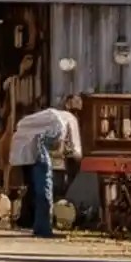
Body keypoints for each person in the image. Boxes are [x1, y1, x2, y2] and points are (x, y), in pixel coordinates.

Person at [9, 100, 83, 237]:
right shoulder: (67, 120)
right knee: (46, 194)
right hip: (48, 160)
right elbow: (74, 149)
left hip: (31, 156)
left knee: (37, 192)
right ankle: (42, 228)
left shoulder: (49, 119)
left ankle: (31, 222)